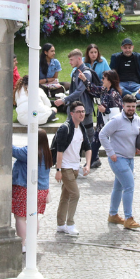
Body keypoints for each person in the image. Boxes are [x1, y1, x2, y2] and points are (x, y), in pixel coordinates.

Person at [97, 94, 140, 230]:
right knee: (129, 186)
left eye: (133, 106)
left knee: (118, 187)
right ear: (123, 106)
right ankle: (128, 218)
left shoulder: (138, 120)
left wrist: (139, 148)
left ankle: (113, 215)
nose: (131, 109)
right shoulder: (116, 120)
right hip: (118, 158)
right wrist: (110, 152)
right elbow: (102, 135)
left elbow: (139, 138)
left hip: (130, 158)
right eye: (128, 106)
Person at [52, 101, 92, 236]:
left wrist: (87, 164)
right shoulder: (65, 128)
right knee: (75, 194)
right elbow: (59, 151)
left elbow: (88, 147)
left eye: (83, 111)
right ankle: (70, 224)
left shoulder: (81, 128)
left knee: (66, 195)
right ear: (71, 113)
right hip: (65, 167)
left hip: (75, 167)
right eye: (79, 112)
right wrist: (58, 170)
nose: (82, 114)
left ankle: (60, 224)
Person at [11, 132, 52, 252]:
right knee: (34, 216)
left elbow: (14, 151)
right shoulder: (47, 153)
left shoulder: (30, 151)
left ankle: (22, 244)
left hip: (26, 190)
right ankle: (31, 242)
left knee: (20, 217)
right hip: (42, 191)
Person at [53, 48, 100, 123]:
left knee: (88, 133)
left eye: (71, 60)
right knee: (70, 130)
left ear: (79, 58)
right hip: (73, 108)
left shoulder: (86, 73)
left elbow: (79, 91)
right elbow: (73, 90)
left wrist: (64, 100)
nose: (69, 62)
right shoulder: (76, 72)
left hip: (84, 110)